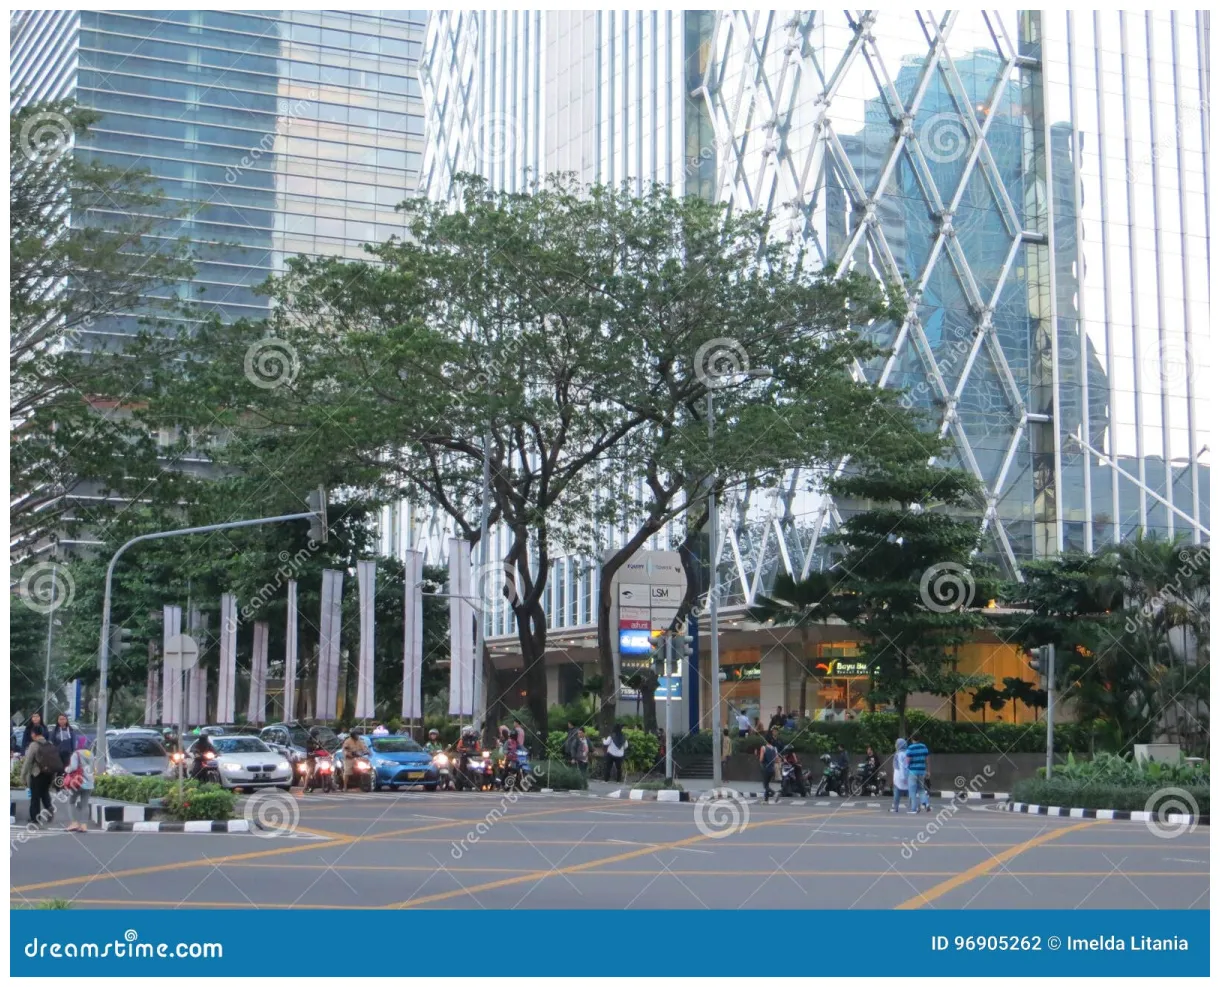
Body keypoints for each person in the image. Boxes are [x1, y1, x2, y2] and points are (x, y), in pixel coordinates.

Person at [21, 726, 60, 826]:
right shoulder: (49, 744)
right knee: (44, 793)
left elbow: (28, 761)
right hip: (48, 774)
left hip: (37, 774)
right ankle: (49, 807)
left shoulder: (34, 745)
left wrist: (23, 776)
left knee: (35, 797)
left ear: (34, 734)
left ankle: (35, 818)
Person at [64, 735, 95, 833]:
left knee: (71, 802)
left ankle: (74, 823)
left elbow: (73, 767)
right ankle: (84, 825)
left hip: (77, 782)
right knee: (85, 804)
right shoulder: (91, 754)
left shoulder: (76, 754)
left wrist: (66, 769)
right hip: (89, 782)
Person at [904, 735, 929, 814]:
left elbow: (908, 761)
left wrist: (905, 771)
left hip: (912, 772)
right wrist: (928, 771)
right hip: (922, 771)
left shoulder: (910, 748)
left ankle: (914, 809)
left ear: (912, 739)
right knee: (921, 789)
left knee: (912, 791)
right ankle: (926, 803)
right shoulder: (924, 747)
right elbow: (927, 759)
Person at [759, 728, 779, 802]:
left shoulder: (763, 748)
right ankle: (766, 800)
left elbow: (761, 759)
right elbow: (777, 760)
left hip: (765, 768)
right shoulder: (774, 749)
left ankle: (774, 793)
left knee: (765, 785)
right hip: (772, 770)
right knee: (767, 784)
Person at [891, 738, 909, 812]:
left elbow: (900, 766)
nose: (895, 745)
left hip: (899, 775)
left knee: (896, 792)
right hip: (907, 774)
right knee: (910, 792)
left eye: (896, 744)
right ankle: (915, 807)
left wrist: (902, 777)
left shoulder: (898, 754)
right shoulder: (908, 753)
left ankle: (895, 808)